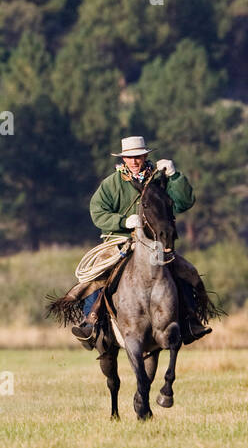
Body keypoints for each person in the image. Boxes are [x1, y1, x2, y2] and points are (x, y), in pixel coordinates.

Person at [71, 136, 211, 345]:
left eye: (138, 156)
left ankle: (191, 321)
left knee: (185, 273)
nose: (134, 161)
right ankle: (90, 321)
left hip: (156, 244)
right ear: (124, 158)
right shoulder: (110, 184)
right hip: (120, 241)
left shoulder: (160, 179)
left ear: (145, 156)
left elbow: (184, 202)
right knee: (98, 276)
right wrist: (123, 221)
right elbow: (97, 212)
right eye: (130, 157)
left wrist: (175, 177)